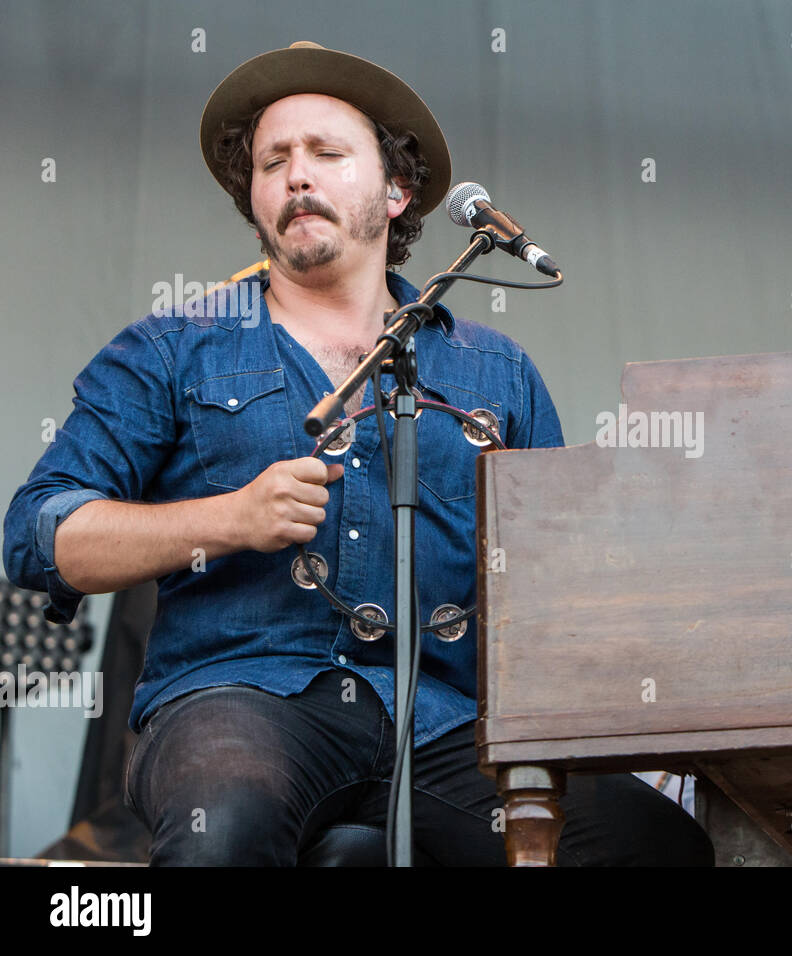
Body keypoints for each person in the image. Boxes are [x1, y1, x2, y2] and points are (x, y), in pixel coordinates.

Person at [3, 41, 713, 867]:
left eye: (326, 154)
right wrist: (227, 519)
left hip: (442, 724)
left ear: (396, 191)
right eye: (274, 162)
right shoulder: (171, 347)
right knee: (222, 832)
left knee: (649, 844)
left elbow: (558, 598)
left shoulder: (496, 370)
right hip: (240, 699)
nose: (296, 175)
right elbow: (36, 535)